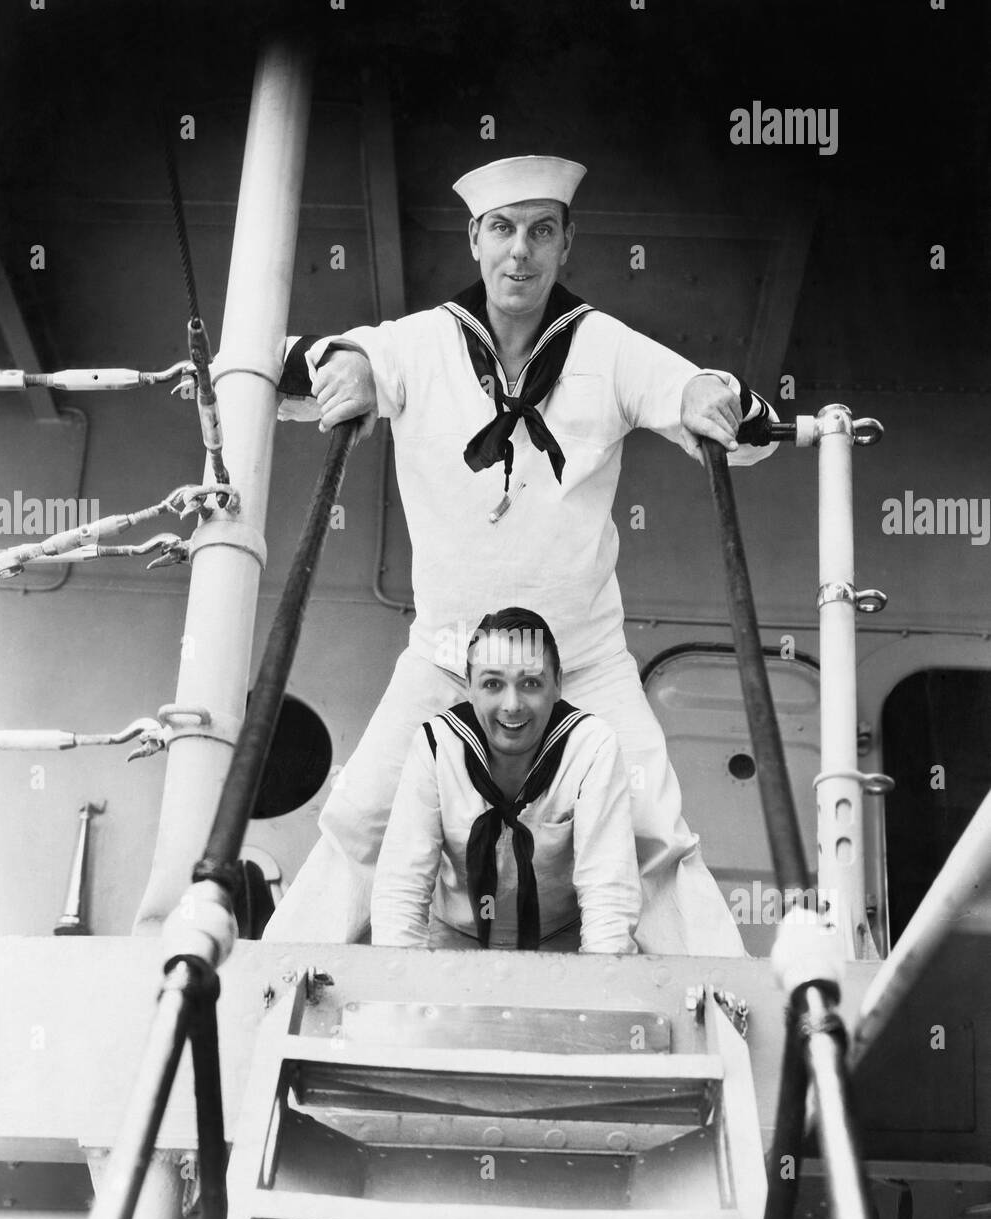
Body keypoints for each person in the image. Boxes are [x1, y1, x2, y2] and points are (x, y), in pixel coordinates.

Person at [265, 154, 778, 954]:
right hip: (444, 658)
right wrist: (351, 369)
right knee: (359, 822)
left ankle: (734, 1020)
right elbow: (309, 360)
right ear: (474, 240)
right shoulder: (422, 343)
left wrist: (708, 397)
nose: (520, 253)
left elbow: (721, 411)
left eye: (542, 232)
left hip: (584, 661)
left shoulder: (606, 348)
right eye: (502, 230)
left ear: (566, 244)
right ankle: (257, 1005)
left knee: (656, 840)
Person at [371, 608, 640, 954]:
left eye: (530, 683)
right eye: (493, 684)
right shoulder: (436, 745)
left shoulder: (591, 747)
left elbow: (609, 890)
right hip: (454, 938)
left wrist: (599, 986)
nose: (512, 705)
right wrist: (401, 986)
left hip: (560, 941)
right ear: (469, 688)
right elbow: (402, 884)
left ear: (558, 684)